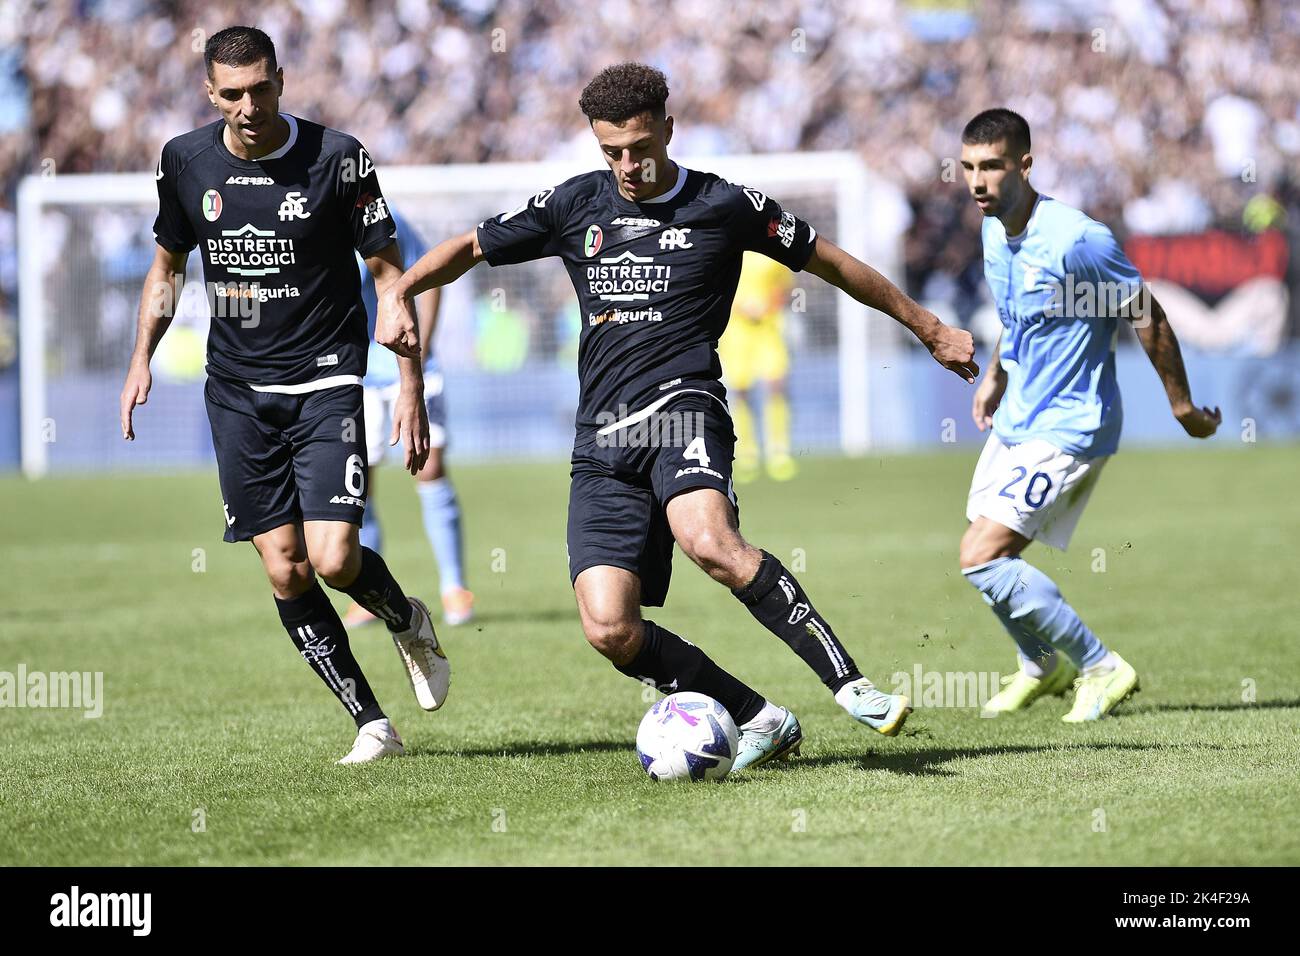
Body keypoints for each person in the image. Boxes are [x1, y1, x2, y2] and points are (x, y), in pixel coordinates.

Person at [379, 63, 978, 770]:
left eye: (640, 146)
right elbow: (469, 249)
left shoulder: (725, 205)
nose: (628, 166)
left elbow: (832, 263)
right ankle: (761, 716)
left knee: (709, 540)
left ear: (668, 127)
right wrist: (401, 289)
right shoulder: (574, 204)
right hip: (601, 439)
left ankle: (850, 684)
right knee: (609, 627)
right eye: (612, 152)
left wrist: (928, 327)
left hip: (683, 408)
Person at [118, 26, 449, 764]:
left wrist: (410, 386)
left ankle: (405, 618)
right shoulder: (184, 160)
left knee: (333, 559)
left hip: (328, 379)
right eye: (231, 93)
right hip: (236, 392)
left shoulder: (338, 158)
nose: (248, 105)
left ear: (281, 80)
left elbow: (393, 279)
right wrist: (142, 355)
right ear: (211, 93)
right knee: (284, 568)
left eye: (260, 88)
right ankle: (372, 724)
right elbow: (167, 266)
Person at [957, 108, 1221, 721]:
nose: (977, 181)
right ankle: (1042, 666)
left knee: (983, 555)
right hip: (1019, 415)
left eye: (992, 166)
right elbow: (1017, 314)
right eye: (968, 167)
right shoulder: (994, 231)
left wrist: (1179, 404)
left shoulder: (1079, 240)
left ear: (1025, 164)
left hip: (1073, 424)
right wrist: (996, 373)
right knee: (989, 554)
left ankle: (1101, 665)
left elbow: (1146, 315)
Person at [343, 209, 474, 629]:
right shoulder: (305, 221)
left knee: (430, 467)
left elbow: (429, 274)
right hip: (354, 373)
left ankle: (454, 585)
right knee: (358, 479)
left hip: (409, 369)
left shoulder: (381, 218)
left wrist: (424, 346)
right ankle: (366, 596)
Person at [717, 252, 798, 482]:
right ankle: (746, 453)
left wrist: (767, 306)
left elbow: (785, 288)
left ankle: (779, 451)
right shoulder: (729, 249)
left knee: (776, 386)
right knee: (741, 392)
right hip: (736, 332)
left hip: (768, 329)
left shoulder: (771, 252)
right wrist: (739, 306)